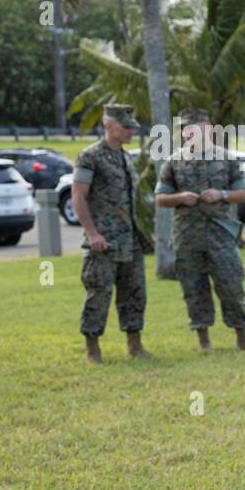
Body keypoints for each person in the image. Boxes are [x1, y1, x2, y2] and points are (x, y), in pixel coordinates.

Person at [155, 108, 245, 351]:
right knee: (193, 288)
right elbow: (160, 198)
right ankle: (203, 340)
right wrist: (180, 197)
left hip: (220, 236)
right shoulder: (174, 161)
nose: (188, 133)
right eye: (184, 129)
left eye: (193, 128)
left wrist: (221, 194)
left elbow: (243, 193)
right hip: (187, 237)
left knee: (231, 285)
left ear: (207, 128)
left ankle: (241, 337)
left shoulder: (226, 158)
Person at [72, 104, 154, 364]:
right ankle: (93, 350)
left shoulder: (125, 157)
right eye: (125, 126)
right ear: (108, 125)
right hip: (103, 242)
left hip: (129, 240)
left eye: (132, 126)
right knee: (99, 293)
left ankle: (135, 344)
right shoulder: (90, 156)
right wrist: (92, 233)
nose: (131, 131)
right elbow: (78, 196)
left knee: (134, 293)